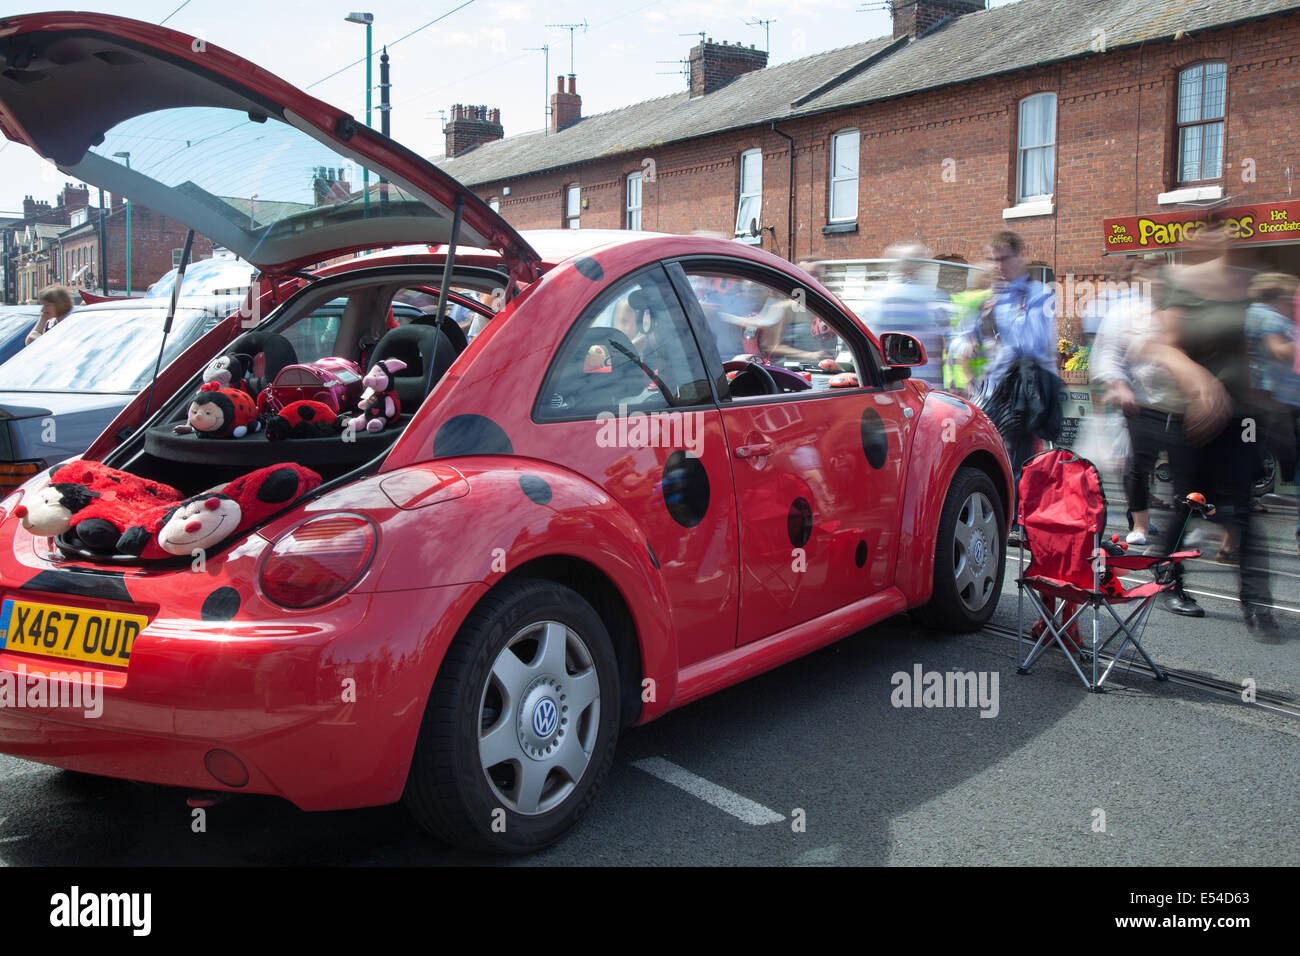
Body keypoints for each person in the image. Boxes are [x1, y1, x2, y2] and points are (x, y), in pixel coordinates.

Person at [1135, 220, 1274, 631]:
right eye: (1207, 228)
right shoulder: (1180, 281)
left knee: (1242, 506)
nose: (1217, 236)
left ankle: (1256, 602)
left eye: (1224, 227)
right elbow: (1158, 346)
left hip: (1243, 415)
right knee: (1189, 500)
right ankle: (1169, 580)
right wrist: (1198, 379)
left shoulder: (1249, 283)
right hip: (1190, 414)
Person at [952, 231, 1058, 500]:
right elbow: (963, 340)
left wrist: (1003, 323)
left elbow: (1036, 343)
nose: (999, 266)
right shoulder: (991, 299)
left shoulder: (1038, 294)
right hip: (996, 390)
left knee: (1018, 459)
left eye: (1004, 259)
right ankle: (1007, 513)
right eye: (994, 260)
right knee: (992, 456)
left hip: (1027, 391)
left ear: (1019, 256)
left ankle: (1015, 516)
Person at [1092, 255, 1178, 546]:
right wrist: (1120, 385)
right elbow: (1108, 353)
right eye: (1142, 276)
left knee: (1185, 468)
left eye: (1154, 275)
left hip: (1180, 403)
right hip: (1142, 402)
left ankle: (1185, 522)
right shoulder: (1123, 313)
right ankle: (1140, 525)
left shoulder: (1178, 308)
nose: (1149, 281)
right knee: (1138, 466)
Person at [1245, 272, 1300, 554]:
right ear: (1279, 297)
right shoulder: (1269, 318)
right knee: (1263, 451)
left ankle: (1241, 505)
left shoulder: (1254, 313)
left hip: (1261, 398)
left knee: (1249, 447)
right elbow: (1279, 351)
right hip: (1271, 399)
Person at [858, 242, 951, 387]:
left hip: (890, 383)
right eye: (921, 262)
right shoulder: (934, 297)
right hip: (927, 385)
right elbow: (948, 344)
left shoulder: (875, 296)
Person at [946, 259, 997, 396]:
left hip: (959, 370)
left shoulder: (962, 298)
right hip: (971, 373)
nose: (994, 280)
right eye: (991, 275)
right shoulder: (979, 297)